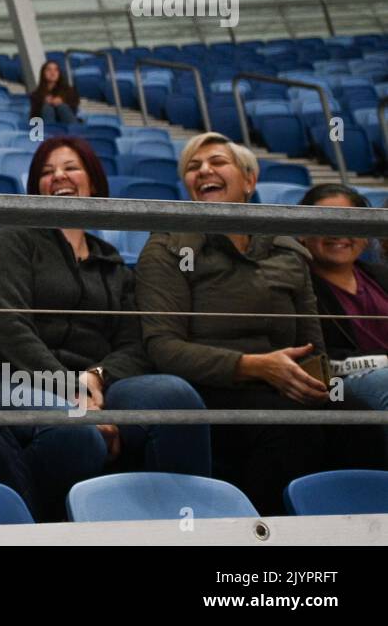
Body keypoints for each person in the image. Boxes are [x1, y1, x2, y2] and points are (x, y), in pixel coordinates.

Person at [135, 132, 381, 514]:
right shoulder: (168, 245)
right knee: (289, 428)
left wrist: (310, 379)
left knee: (361, 422)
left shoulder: (287, 249)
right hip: (210, 386)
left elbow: (313, 345)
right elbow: (163, 346)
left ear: (249, 181)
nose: (204, 171)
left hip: (286, 382)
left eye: (217, 162)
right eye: (193, 167)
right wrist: (254, 366)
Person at [0, 136, 210, 478]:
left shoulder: (111, 262)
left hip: (97, 384)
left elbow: (133, 343)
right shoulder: (13, 238)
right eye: (48, 172)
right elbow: (9, 325)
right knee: (74, 429)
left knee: (175, 397)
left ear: (93, 182)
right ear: (38, 188)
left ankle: (182, 524)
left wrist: (96, 379)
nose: (59, 177)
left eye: (71, 168)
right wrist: (70, 389)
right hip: (10, 376)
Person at [298, 183, 388, 454]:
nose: (338, 232)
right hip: (343, 383)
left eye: (348, 221)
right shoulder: (298, 284)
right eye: (326, 222)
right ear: (301, 233)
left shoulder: (381, 276)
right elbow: (317, 361)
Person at [28, 60, 80, 125]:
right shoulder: (36, 94)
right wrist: (42, 102)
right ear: (43, 73)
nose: (52, 72)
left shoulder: (69, 90)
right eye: (49, 70)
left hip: (67, 124)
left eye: (56, 70)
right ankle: (51, 131)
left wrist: (63, 101)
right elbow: (33, 117)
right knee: (47, 108)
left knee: (62, 106)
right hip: (44, 124)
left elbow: (74, 108)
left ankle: (75, 132)